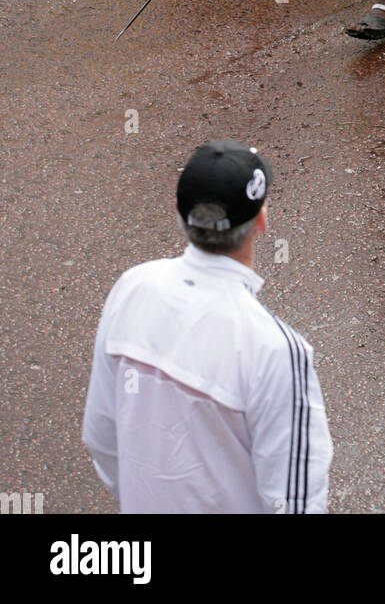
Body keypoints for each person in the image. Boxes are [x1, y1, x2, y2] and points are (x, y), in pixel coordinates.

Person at [82, 140, 332, 513]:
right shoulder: (276, 349)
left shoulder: (132, 288)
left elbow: (101, 435)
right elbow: (296, 503)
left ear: (178, 213)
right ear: (261, 221)